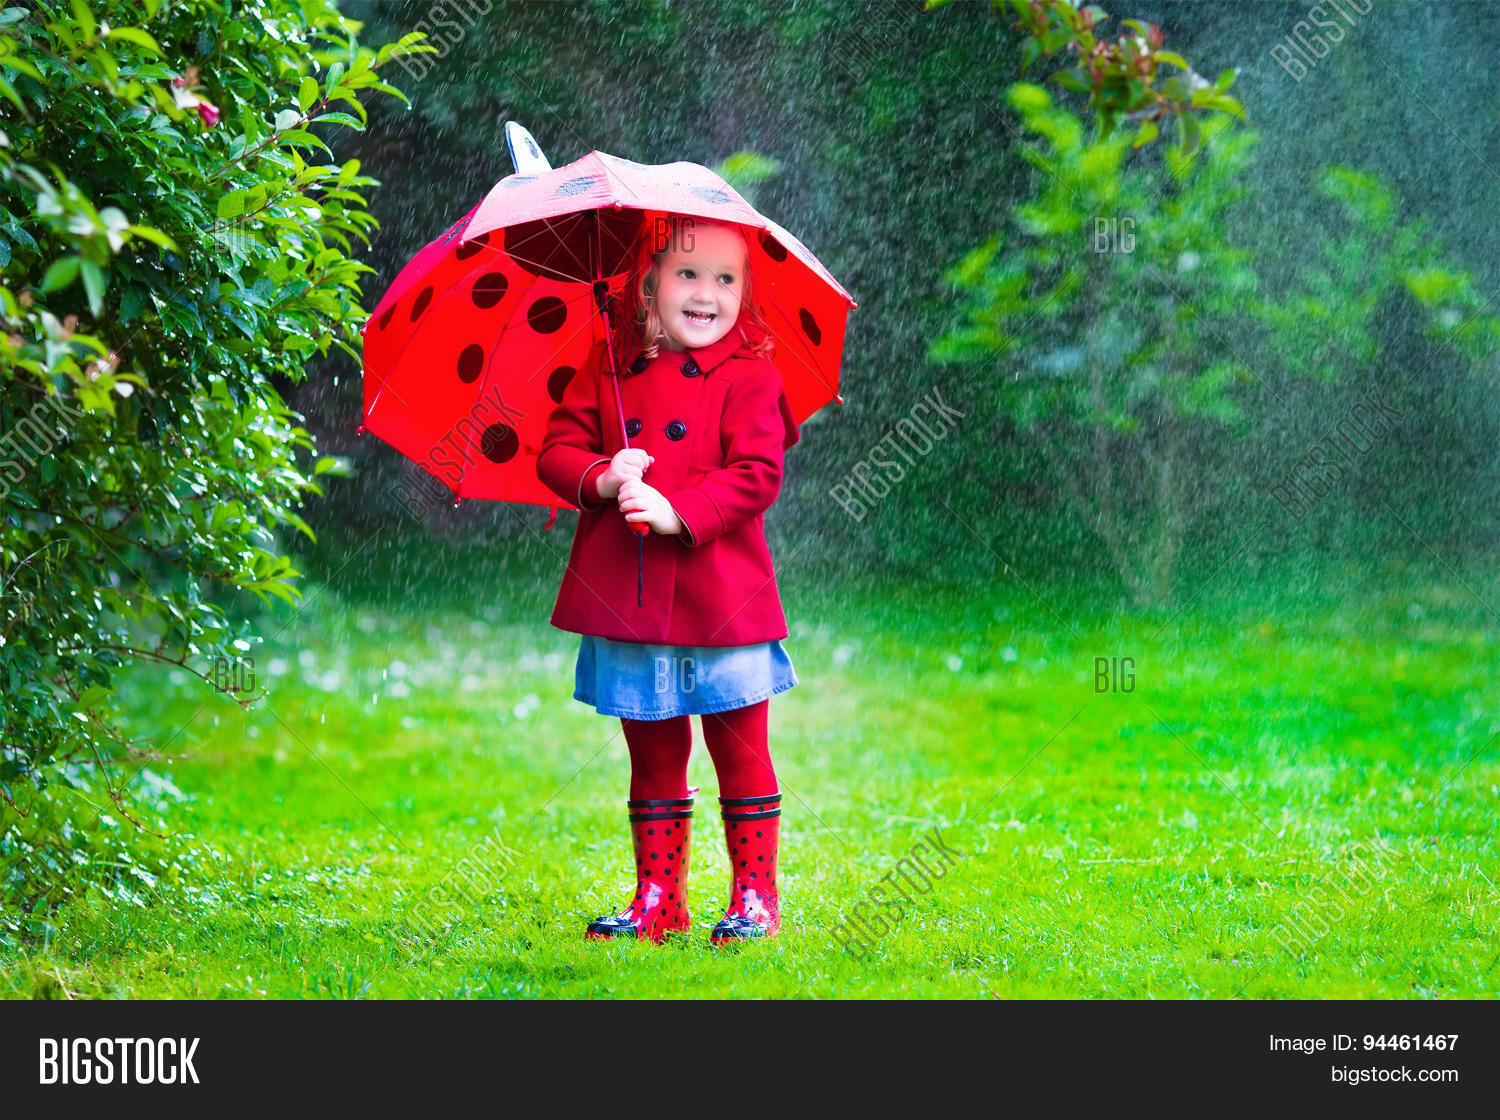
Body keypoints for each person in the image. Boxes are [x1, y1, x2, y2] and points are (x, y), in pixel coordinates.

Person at [535, 213, 801, 946]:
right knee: (652, 753)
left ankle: (755, 897)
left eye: (725, 278)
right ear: (647, 285)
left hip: (724, 600)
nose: (706, 293)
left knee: (740, 747)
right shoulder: (609, 368)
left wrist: (679, 510)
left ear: (744, 293)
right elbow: (555, 451)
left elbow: (758, 474)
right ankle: (660, 898)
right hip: (634, 598)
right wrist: (602, 474)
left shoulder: (752, 376)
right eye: (688, 273)